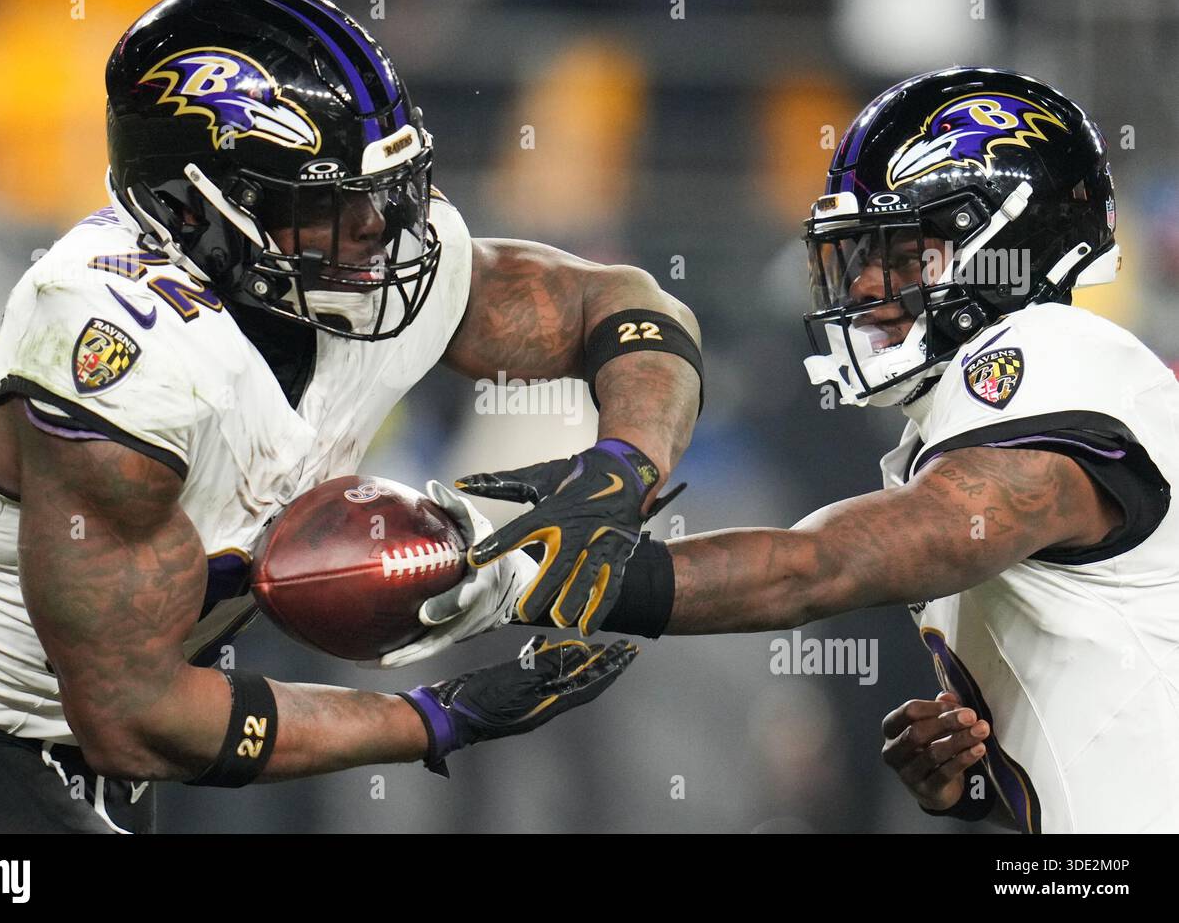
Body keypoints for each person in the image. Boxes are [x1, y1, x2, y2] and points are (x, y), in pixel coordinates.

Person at [0, 0, 702, 833]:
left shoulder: (338, 278)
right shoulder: (119, 345)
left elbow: (623, 307)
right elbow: (133, 718)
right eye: (328, 200)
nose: (377, 230)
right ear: (196, 203)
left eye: (382, 191)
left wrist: (625, 463)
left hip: (100, 735)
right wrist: (434, 716)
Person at [472, 67, 1177, 833]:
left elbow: (820, 567)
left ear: (1006, 243)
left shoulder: (1056, 351)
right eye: (859, 253)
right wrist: (978, 783)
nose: (867, 284)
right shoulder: (948, 423)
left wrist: (537, 579)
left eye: (904, 255)